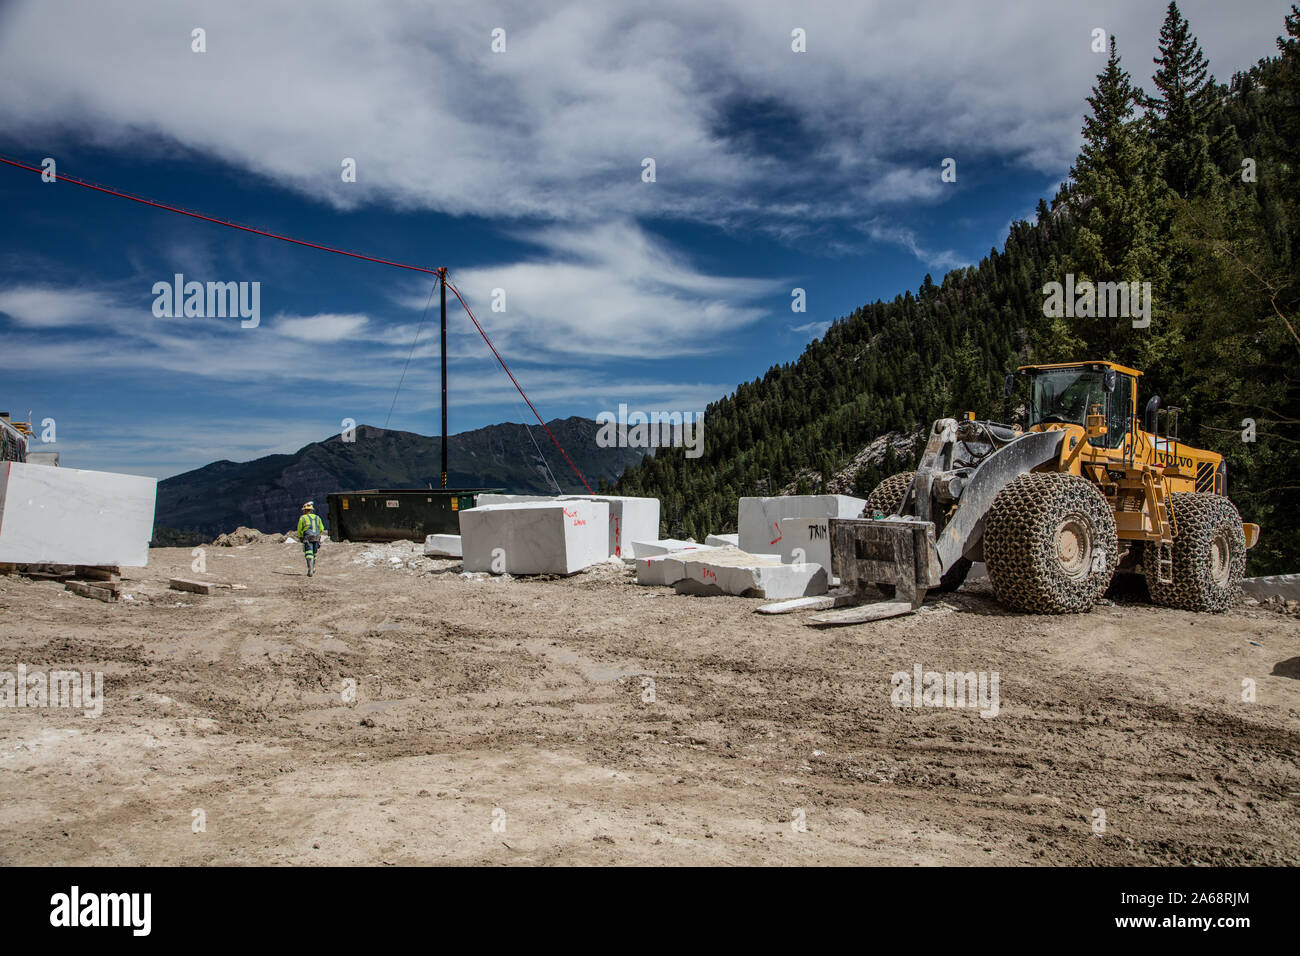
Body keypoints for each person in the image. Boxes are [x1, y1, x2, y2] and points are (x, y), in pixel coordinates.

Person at [296, 501, 325, 576]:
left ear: (305, 510)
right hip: (317, 537)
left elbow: (299, 529)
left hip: (308, 537)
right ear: (311, 510)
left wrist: (300, 537)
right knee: (314, 553)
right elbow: (322, 528)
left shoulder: (303, 518)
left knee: (308, 553)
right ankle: (314, 567)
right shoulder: (317, 518)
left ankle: (310, 569)